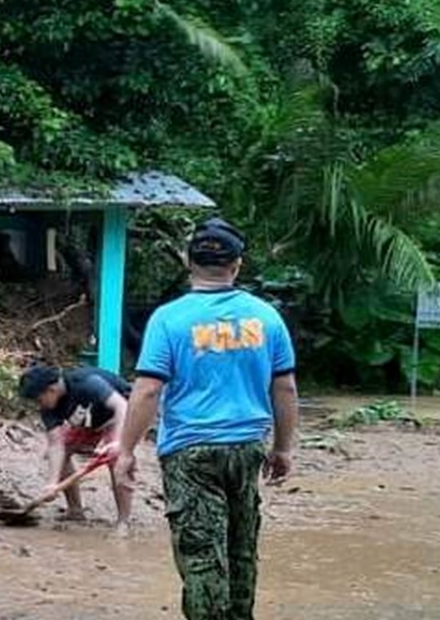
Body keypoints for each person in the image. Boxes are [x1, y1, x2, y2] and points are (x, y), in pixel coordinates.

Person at [115, 218, 299, 620]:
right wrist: (283, 448)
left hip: (189, 451)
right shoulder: (266, 317)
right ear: (237, 265)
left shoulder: (169, 319)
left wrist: (125, 450)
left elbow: (147, 390)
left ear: (188, 262)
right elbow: (284, 389)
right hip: (248, 447)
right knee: (240, 548)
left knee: (201, 555)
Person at [18, 365, 133, 531]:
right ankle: (75, 510)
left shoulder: (87, 383)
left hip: (121, 416)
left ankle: (123, 521)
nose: (39, 404)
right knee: (62, 453)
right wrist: (52, 483)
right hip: (90, 421)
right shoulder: (48, 407)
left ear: (51, 389)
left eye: (39, 399)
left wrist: (119, 442)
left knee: (117, 460)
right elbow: (56, 444)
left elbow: (122, 406)